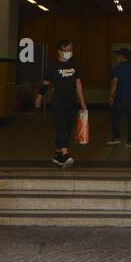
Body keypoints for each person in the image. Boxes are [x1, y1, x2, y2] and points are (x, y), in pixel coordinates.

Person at [35, 38, 86, 168]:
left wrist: (82, 102)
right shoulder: (53, 66)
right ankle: (65, 155)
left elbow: (78, 84)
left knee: (68, 128)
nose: (69, 52)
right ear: (59, 51)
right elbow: (45, 84)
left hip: (72, 102)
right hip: (58, 102)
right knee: (61, 126)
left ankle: (58, 155)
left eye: (71, 50)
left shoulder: (75, 65)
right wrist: (39, 98)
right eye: (66, 50)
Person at [107, 48, 131, 147]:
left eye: (118, 55)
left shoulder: (117, 68)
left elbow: (115, 83)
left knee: (115, 118)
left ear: (121, 56)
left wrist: (111, 96)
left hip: (120, 97)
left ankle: (116, 138)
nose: (117, 57)